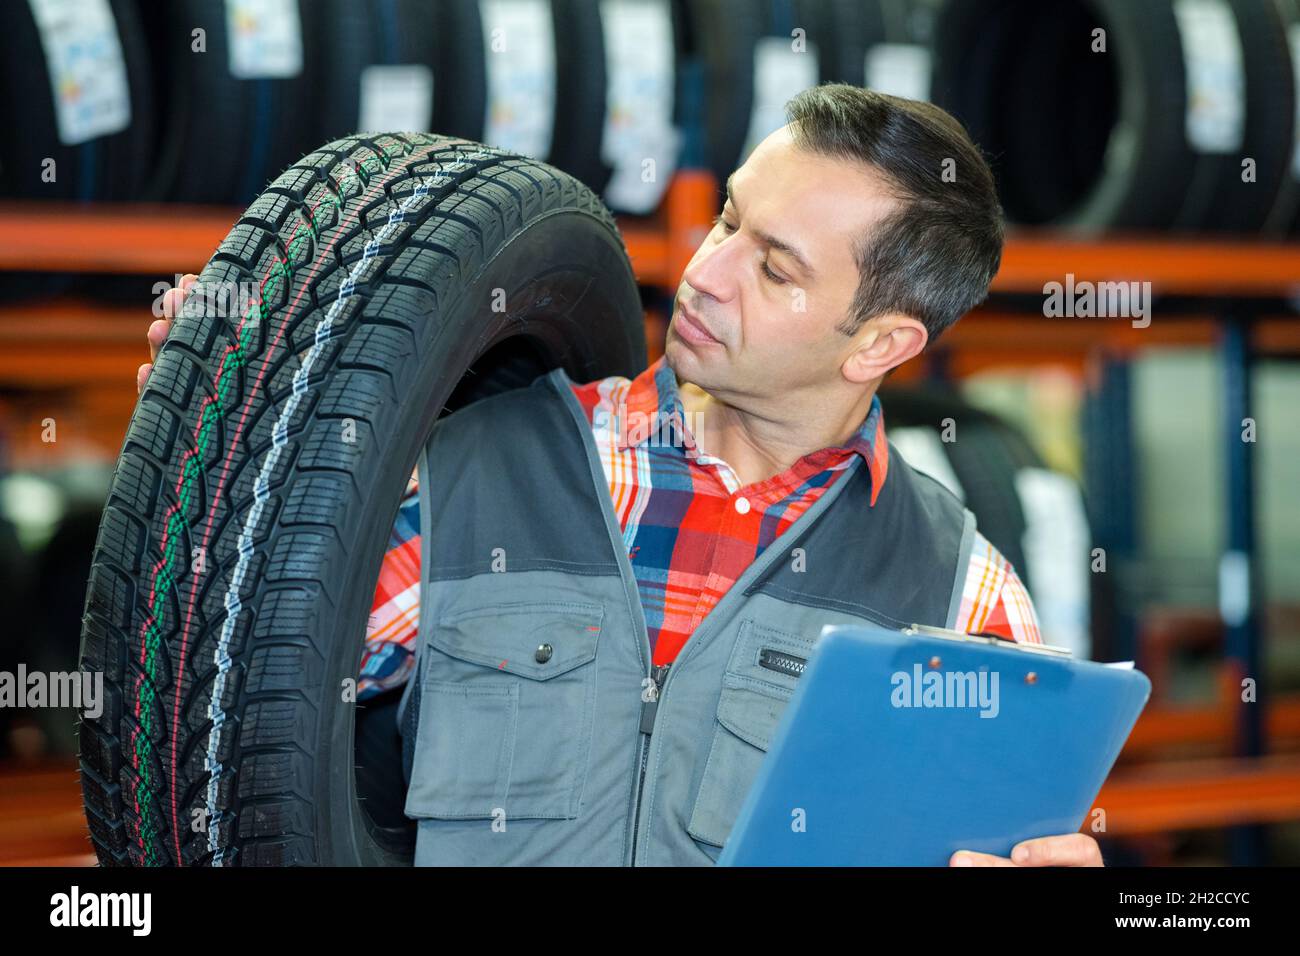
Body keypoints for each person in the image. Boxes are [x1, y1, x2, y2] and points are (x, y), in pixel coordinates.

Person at [139, 83, 1101, 867]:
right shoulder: (476, 474)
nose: (706, 270)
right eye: (728, 219)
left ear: (879, 344)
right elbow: (233, 690)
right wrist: (224, 447)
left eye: (774, 270)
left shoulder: (960, 604)